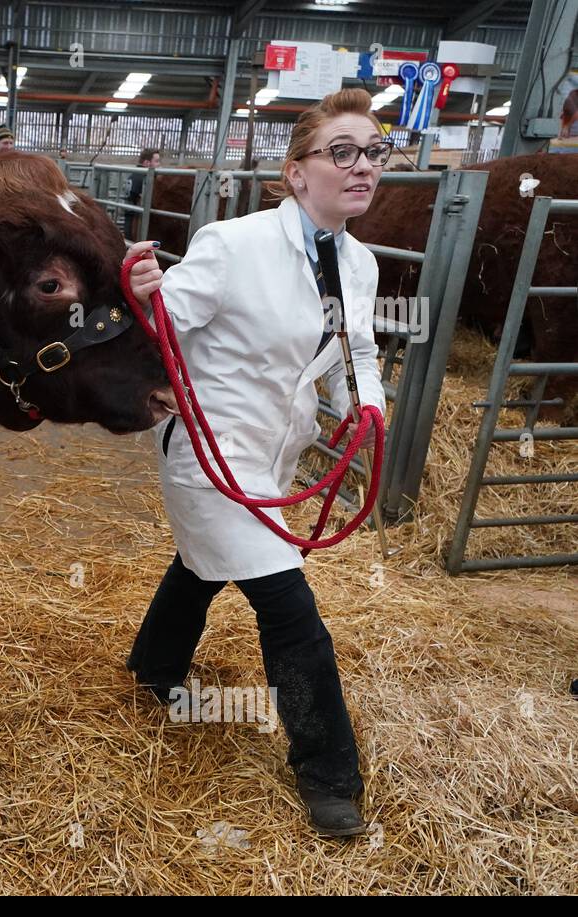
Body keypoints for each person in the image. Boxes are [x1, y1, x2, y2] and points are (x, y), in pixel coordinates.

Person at [125, 87, 392, 838]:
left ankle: (153, 666)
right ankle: (329, 771)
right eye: (341, 152)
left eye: (374, 152)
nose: (362, 166)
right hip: (208, 454)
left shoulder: (360, 263)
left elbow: (356, 353)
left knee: (202, 567)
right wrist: (146, 296)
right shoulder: (231, 243)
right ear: (297, 171)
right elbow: (162, 331)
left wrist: (367, 404)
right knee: (287, 605)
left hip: (274, 458)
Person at [127, 147, 161, 240]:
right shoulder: (144, 178)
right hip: (138, 221)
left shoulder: (134, 174)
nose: (159, 164)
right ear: (146, 163)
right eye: (157, 161)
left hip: (130, 217)